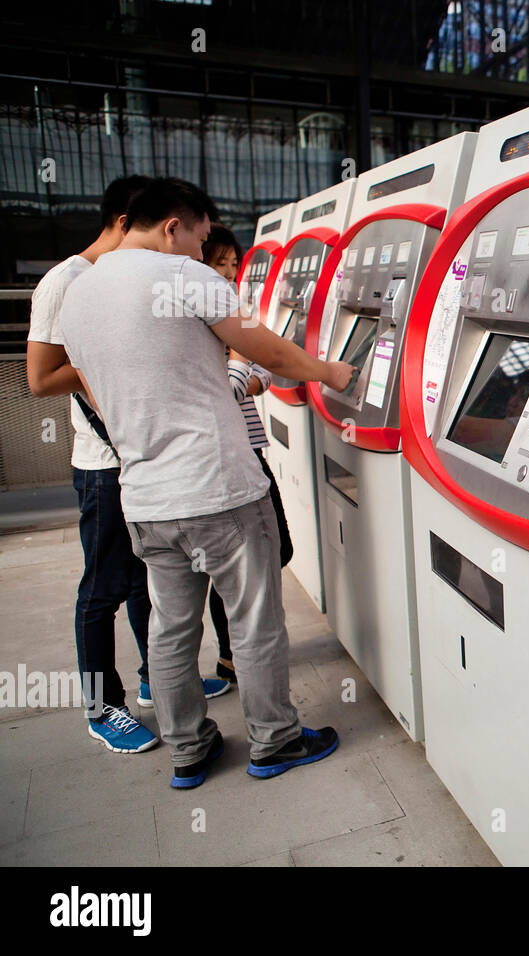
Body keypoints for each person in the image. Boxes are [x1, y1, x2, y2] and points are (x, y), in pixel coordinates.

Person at [60, 177, 356, 789]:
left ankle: (189, 750)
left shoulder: (80, 295)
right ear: (174, 225)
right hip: (219, 488)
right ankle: (275, 741)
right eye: (199, 237)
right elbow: (268, 351)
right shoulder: (185, 276)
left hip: (143, 493)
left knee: (171, 629)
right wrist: (331, 371)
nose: (202, 251)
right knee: (254, 620)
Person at [25, 175, 227, 754]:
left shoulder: (116, 278)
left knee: (147, 578)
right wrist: (111, 359)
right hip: (103, 463)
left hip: (142, 451)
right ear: (124, 223)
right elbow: (40, 378)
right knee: (103, 586)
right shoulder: (66, 282)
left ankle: (150, 680)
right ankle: (100, 705)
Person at [199, 225, 294, 684]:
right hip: (232, 458)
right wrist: (244, 368)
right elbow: (235, 384)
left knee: (274, 552)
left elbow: (263, 374)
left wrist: (246, 372)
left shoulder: (231, 316)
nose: (230, 273)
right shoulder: (204, 321)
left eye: (235, 265)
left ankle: (235, 653)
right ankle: (237, 655)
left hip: (250, 448)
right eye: (220, 264)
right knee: (243, 566)